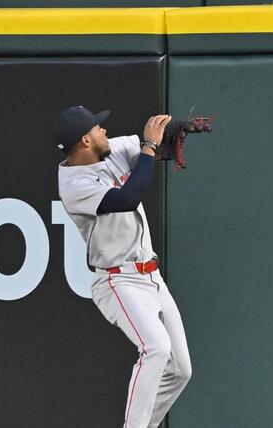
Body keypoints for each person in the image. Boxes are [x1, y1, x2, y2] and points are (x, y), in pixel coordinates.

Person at [55, 106, 192, 428]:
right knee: (156, 348)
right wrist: (149, 146)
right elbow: (126, 198)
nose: (104, 129)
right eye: (98, 128)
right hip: (119, 282)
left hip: (152, 276)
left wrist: (170, 132)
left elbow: (154, 149)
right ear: (86, 140)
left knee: (180, 370)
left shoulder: (111, 149)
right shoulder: (74, 185)